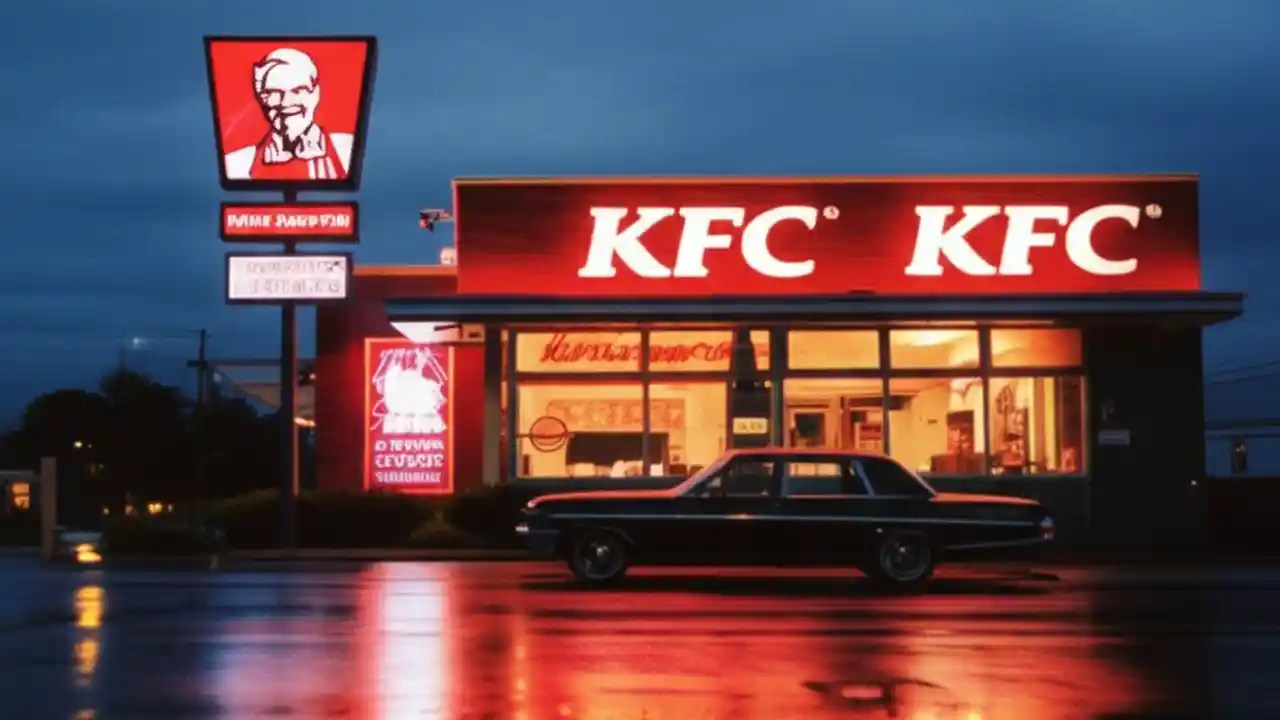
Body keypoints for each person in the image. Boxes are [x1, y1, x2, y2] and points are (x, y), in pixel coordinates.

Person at [224, 48, 354, 181]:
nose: (286, 102)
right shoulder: (236, 165)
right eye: (274, 92)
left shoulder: (349, 150)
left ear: (315, 95)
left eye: (298, 90)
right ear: (262, 99)